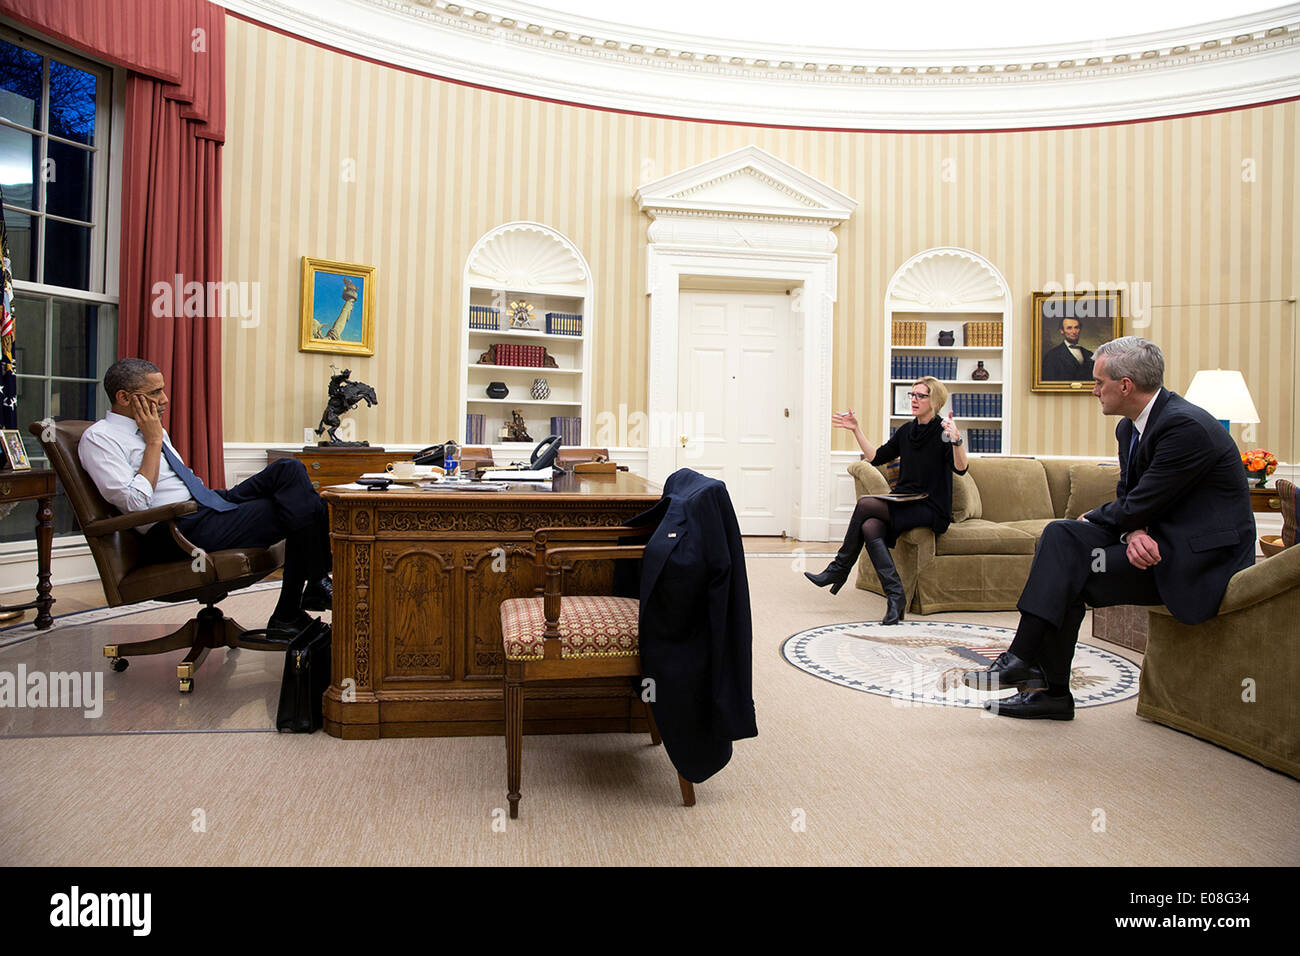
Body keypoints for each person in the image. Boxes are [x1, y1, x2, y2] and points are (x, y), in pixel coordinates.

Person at [964, 336, 1255, 719]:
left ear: (1126, 385)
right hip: (1154, 540)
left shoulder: (1185, 427)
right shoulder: (1129, 428)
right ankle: (1035, 675)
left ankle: (1036, 676)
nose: (1094, 390)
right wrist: (1132, 532)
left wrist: (1101, 517)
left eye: (1099, 382)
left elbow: (1140, 503)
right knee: (1060, 537)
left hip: (1198, 558)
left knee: (1067, 569)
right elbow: (1136, 498)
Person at [79, 358, 332, 640]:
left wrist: (155, 436)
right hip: (174, 528)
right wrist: (152, 442)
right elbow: (134, 504)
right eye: (154, 393)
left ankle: (305, 596)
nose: (164, 400)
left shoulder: (154, 428)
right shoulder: (100, 438)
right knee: (300, 508)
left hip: (206, 505)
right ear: (124, 398)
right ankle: (297, 604)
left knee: (290, 469)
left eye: (163, 390)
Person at [806, 377, 967, 624]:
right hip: (905, 500)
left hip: (931, 507)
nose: (914, 400)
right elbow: (877, 457)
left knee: (865, 505)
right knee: (870, 526)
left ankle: (839, 569)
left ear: (934, 401)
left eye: (920, 396)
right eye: (912, 395)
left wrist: (957, 440)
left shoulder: (943, 432)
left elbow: (961, 468)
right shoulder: (906, 431)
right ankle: (895, 597)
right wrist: (855, 429)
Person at [1041, 316, 1095, 381]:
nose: (1074, 331)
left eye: (1076, 327)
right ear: (1062, 331)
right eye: (1069, 328)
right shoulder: (1051, 356)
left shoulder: (1089, 354)